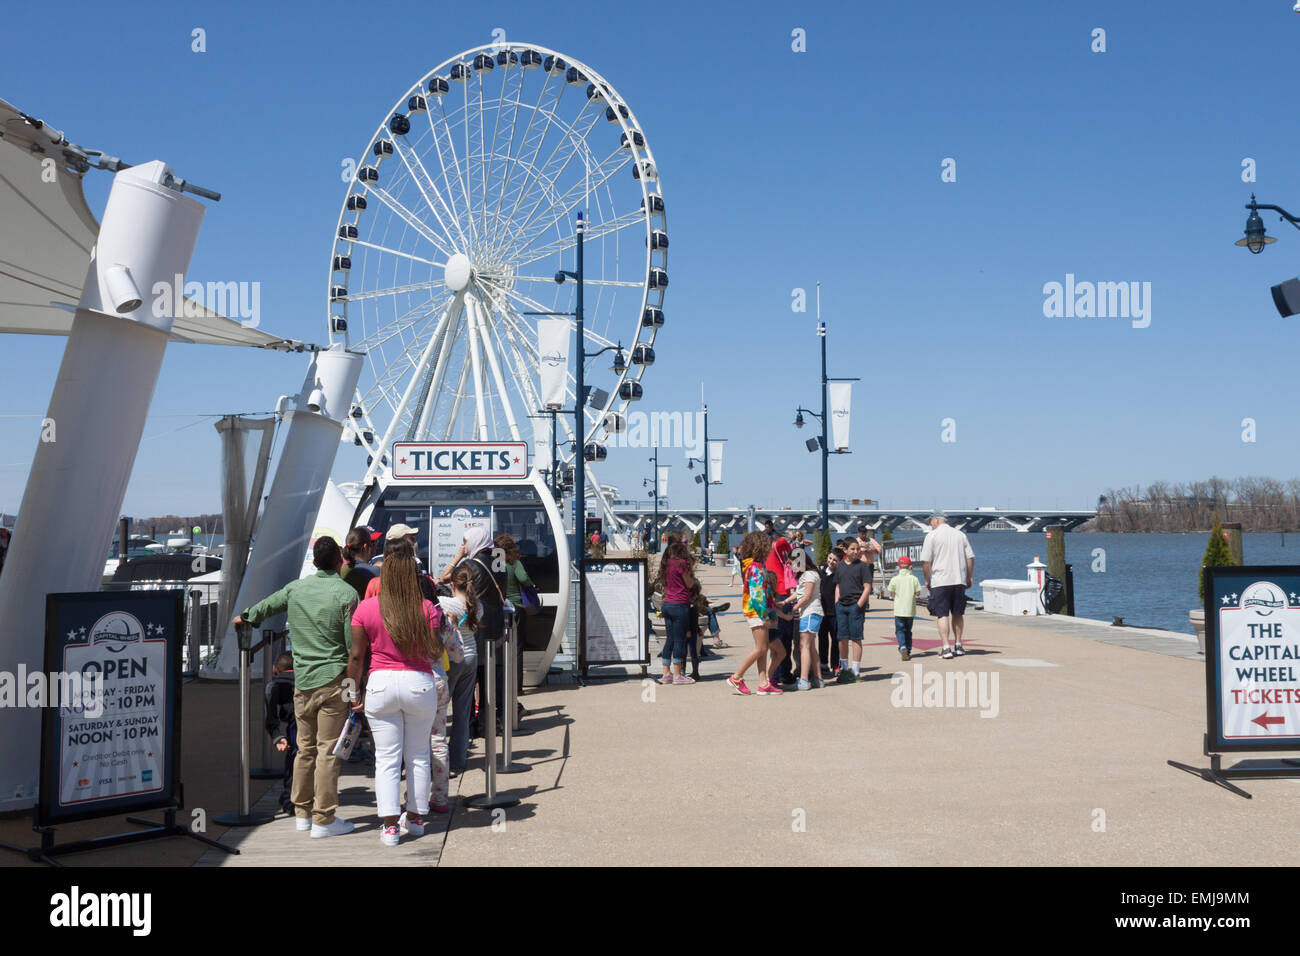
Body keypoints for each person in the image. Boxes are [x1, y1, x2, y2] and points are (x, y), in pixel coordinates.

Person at [234, 536, 358, 838]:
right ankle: (324, 819)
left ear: (314, 561)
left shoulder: (296, 588)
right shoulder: (347, 593)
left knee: (305, 749)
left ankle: (301, 812)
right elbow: (351, 646)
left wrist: (244, 618)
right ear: (339, 558)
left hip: (302, 682)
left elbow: (264, 607)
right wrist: (355, 686)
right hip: (334, 680)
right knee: (328, 752)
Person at [346, 551, 444, 846]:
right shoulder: (426, 607)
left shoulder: (366, 608)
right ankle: (415, 819)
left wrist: (352, 693)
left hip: (380, 684)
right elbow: (435, 652)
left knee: (386, 758)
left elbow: (355, 656)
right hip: (419, 684)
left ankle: (390, 826)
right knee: (417, 755)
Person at [444, 526, 507, 735]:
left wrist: (459, 555)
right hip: (496, 625)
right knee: (489, 677)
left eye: (465, 541)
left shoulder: (470, 564)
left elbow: (446, 578)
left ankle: (470, 723)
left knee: (469, 680)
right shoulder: (499, 559)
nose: (464, 544)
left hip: (475, 625)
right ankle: (487, 723)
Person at [727, 531, 781, 695]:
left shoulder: (754, 565)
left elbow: (764, 593)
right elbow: (758, 596)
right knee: (760, 649)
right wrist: (765, 615)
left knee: (763, 649)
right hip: (756, 613)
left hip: (757, 612)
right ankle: (736, 677)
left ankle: (763, 682)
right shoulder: (756, 568)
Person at [439, 566, 480, 778]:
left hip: (453, 659)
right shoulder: (477, 606)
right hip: (472, 657)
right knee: (463, 713)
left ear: (453, 585)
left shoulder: (448, 603)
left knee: (440, 711)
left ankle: (439, 760)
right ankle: (458, 760)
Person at [920, 514, 975, 660]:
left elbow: (926, 561)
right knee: (958, 613)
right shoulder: (960, 535)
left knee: (942, 614)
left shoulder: (932, 536)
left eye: (931, 522)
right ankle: (958, 645)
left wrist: (927, 579)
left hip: (941, 580)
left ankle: (946, 647)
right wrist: (969, 576)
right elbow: (970, 557)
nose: (931, 525)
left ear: (936, 521)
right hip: (959, 580)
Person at [495, 532, 535, 708]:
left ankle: (500, 685)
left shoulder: (495, 564)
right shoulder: (514, 563)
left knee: (499, 650)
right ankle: (517, 687)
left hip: (498, 610)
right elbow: (524, 578)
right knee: (516, 649)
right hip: (516, 608)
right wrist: (532, 585)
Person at [653, 538, 696, 684]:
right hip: (680, 605)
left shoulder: (665, 564)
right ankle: (677, 675)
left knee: (669, 639)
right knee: (679, 639)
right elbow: (689, 584)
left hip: (667, 604)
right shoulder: (681, 563)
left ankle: (666, 673)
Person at [832, 537, 871, 683]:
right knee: (842, 638)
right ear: (845, 550)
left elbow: (867, 587)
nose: (856, 551)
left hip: (855, 606)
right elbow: (837, 586)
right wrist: (837, 602)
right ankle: (845, 668)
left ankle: (855, 670)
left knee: (856, 637)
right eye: (852, 549)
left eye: (857, 549)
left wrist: (859, 605)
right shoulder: (840, 566)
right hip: (841, 606)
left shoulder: (863, 566)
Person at [264, 650, 296, 815]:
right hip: (310, 722)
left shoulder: (275, 684)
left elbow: (270, 716)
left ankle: (290, 798)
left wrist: (277, 735)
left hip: (293, 725)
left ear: (275, 669)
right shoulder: (305, 679)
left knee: (293, 759)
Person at [793, 552, 825, 691]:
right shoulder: (806, 575)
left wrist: (794, 607)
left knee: (804, 645)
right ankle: (818, 678)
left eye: (793, 562)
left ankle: (804, 679)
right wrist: (787, 601)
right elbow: (800, 592)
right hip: (808, 612)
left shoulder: (810, 574)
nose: (792, 566)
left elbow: (807, 596)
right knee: (811, 646)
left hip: (811, 611)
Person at [766, 535, 795, 684]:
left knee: (776, 639)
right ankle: (782, 674)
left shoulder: (764, 555)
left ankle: (776, 674)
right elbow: (782, 541)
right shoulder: (774, 549)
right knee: (785, 637)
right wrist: (792, 542)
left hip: (775, 594)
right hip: (782, 594)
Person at [887, 555, 922, 661]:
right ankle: (908, 649)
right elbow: (918, 593)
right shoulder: (914, 579)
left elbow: (891, 593)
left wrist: (895, 596)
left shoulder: (894, 579)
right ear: (910, 567)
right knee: (908, 631)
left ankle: (902, 646)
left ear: (898, 567)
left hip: (898, 610)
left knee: (899, 630)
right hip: (910, 610)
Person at [818, 548, 842, 674]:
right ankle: (823, 663)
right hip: (822, 611)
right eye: (830, 558)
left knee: (835, 639)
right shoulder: (821, 572)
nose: (831, 561)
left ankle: (835, 664)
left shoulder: (839, 574)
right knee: (822, 637)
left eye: (835, 560)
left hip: (834, 612)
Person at [342, 526, 381, 601]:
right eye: (372, 543)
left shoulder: (340, 570)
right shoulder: (376, 571)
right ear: (365, 547)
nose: (375, 546)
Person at [857, 526, 883, 610]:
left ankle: (866, 603)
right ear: (859, 533)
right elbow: (851, 552)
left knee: (867, 585)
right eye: (862, 534)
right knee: (858, 585)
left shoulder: (871, 540)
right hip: (859, 565)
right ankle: (859, 603)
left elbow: (879, 550)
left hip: (869, 566)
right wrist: (860, 549)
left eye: (865, 534)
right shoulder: (856, 541)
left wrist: (868, 548)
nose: (864, 536)